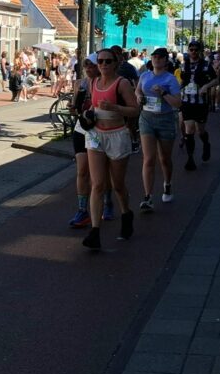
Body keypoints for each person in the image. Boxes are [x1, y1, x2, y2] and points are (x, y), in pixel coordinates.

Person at [82, 49, 140, 249]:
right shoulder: (93, 82)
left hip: (117, 135)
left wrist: (115, 108)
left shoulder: (122, 83)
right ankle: (95, 232)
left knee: (117, 185)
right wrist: (89, 113)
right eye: (100, 61)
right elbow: (93, 106)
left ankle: (126, 213)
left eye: (108, 61)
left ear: (116, 63)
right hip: (96, 135)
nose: (103, 65)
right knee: (97, 185)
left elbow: (135, 109)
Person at [136, 48, 182, 211]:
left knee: (164, 158)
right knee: (148, 159)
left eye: (160, 57)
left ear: (165, 60)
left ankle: (167, 183)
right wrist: (139, 97)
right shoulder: (145, 76)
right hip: (147, 118)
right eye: (154, 56)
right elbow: (138, 90)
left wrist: (163, 93)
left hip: (165, 119)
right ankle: (148, 197)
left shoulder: (170, 79)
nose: (156, 59)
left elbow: (177, 103)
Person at [68, 57, 98, 228]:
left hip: (99, 131)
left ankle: (107, 202)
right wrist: (73, 108)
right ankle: (82, 210)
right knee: (82, 171)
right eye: (86, 65)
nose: (88, 68)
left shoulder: (103, 84)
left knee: (100, 174)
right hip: (81, 129)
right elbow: (75, 108)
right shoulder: (79, 83)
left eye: (91, 65)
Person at [179, 41, 217, 171]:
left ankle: (206, 144)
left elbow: (216, 79)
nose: (193, 52)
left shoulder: (206, 65)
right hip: (187, 102)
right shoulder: (184, 65)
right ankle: (190, 159)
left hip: (201, 103)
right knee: (189, 130)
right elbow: (182, 81)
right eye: (191, 49)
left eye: (196, 49)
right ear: (188, 51)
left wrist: (206, 86)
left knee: (200, 130)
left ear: (200, 51)